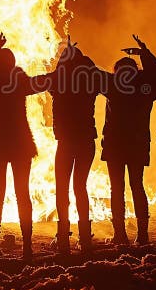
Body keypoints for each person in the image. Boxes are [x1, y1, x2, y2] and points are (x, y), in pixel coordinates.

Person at [0, 32, 42, 261]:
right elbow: (38, 84)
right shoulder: (18, 79)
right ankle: (27, 247)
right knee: (23, 193)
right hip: (19, 142)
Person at [101, 35, 156, 246]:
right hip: (137, 145)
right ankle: (142, 234)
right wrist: (145, 54)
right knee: (137, 186)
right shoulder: (145, 89)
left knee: (117, 189)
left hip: (114, 145)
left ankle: (120, 234)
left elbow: (92, 74)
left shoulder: (112, 85)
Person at [40, 37, 101, 255]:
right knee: (80, 187)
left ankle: (63, 239)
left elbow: (44, 84)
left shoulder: (59, 79)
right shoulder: (90, 79)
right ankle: (85, 239)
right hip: (86, 140)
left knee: (63, 188)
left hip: (66, 142)